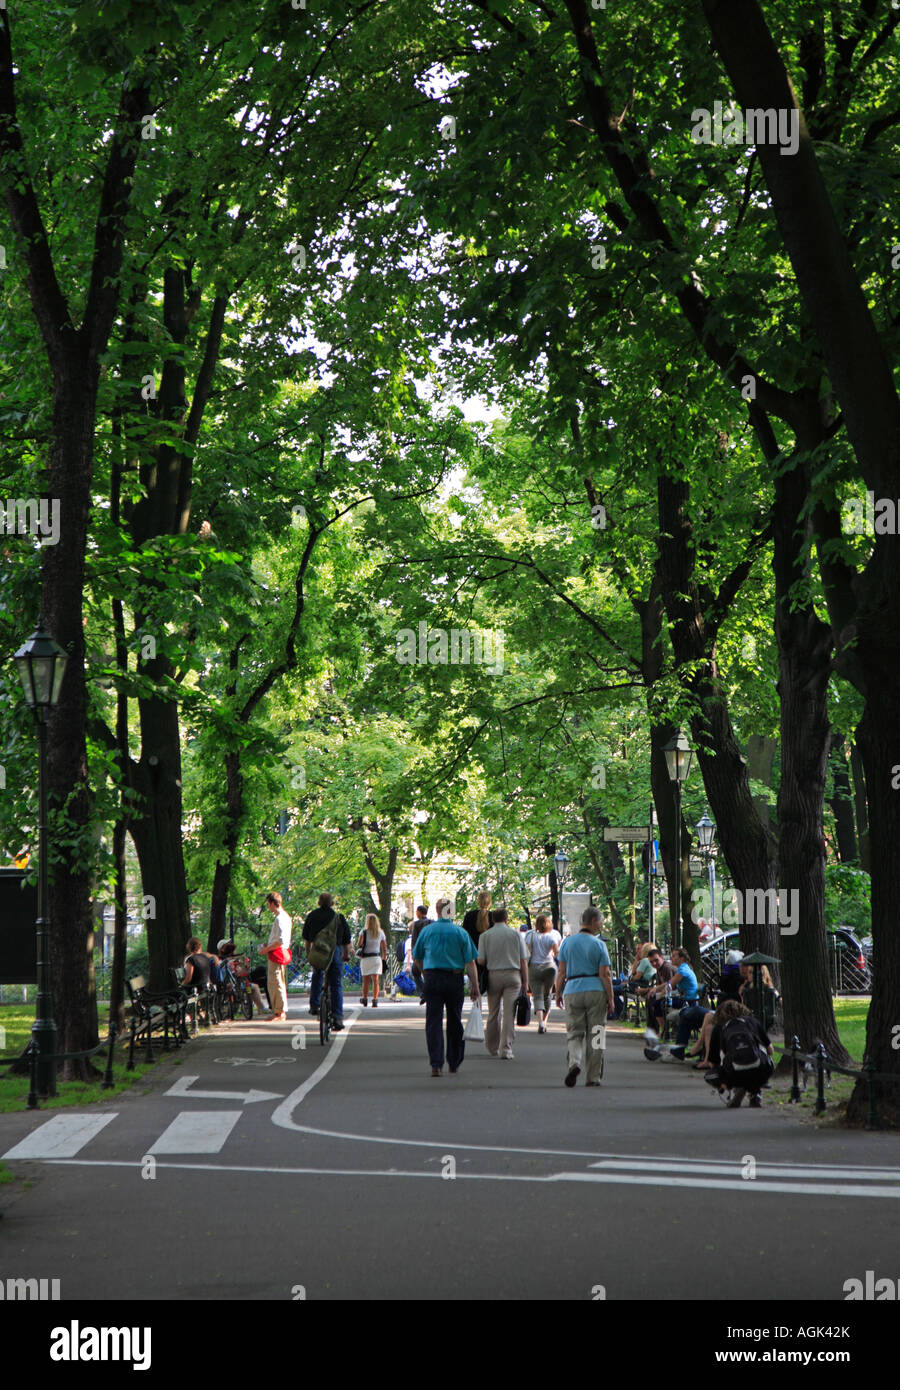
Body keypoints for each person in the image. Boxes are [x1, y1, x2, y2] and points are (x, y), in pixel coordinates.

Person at [412, 897, 480, 1076]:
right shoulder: (460, 933)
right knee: (455, 1020)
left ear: (436, 910)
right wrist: (475, 986)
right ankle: (454, 1061)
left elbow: (416, 956)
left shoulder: (427, 931)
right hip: (454, 978)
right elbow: (470, 962)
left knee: (433, 1020)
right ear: (452, 912)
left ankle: (436, 1064)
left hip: (433, 978)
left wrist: (425, 973)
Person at [555, 905, 613, 1087]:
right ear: (594, 921)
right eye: (601, 922)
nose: (601, 926)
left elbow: (561, 972)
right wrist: (610, 998)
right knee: (597, 1033)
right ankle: (593, 1077)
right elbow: (605, 974)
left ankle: (574, 1062)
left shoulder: (567, 943)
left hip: (572, 989)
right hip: (595, 989)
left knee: (574, 1033)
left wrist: (558, 993)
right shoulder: (599, 944)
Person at [477, 907, 529, 1059]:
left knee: (493, 1012)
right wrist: (526, 981)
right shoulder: (516, 934)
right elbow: (523, 960)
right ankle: (506, 1049)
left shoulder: (485, 936)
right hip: (513, 976)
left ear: (492, 919)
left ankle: (492, 1047)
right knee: (509, 1013)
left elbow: (480, 960)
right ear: (507, 919)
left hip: (493, 976)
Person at [704, 999, 774, 1107]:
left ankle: (734, 1086)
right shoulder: (752, 1022)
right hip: (759, 1070)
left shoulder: (719, 1028)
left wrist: (722, 1081)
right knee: (762, 1061)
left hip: (734, 1072)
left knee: (710, 1075)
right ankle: (755, 1091)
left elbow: (713, 1062)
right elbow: (771, 1050)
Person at [303, 891, 352, 1031]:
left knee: (317, 974)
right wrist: (345, 955)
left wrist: (308, 954)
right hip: (334, 952)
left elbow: (307, 939)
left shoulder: (312, 916)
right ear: (332, 903)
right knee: (336, 984)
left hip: (317, 952)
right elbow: (346, 941)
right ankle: (337, 1017)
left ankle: (314, 1005)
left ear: (319, 903)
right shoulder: (338, 918)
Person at [666, 947, 708, 1060]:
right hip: (688, 1001)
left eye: (674, 956)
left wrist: (656, 991)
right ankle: (668, 1038)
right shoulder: (683, 968)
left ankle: (667, 1037)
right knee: (658, 1003)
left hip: (689, 1002)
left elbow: (670, 984)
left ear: (681, 958)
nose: (671, 958)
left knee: (660, 1003)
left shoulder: (683, 970)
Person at [256, 892, 292, 1022]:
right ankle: (278, 1010)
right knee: (277, 982)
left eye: (268, 904)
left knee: (275, 982)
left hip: (277, 953)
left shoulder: (280, 918)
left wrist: (266, 949)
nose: (268, 907)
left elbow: (281, 940)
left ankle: (279, 1012)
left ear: (272, 903)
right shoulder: (284, 917)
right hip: (278, 951)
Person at [525, 914, 561, 1033]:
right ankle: (544, 1022)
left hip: (534, 967)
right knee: (548, 995)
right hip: (549, 967)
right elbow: (557, 954)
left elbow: (526, 953)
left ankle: (540, 1022)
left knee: (538, 996)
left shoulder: (531, 937)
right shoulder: (551, 938)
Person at [461, 890, 493, 995]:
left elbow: (464, 936)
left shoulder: (469, 916)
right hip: (489, 956)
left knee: (475, 986)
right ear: (490, 902)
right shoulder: (493, 917)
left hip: (472, 956)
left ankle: (476, 1003)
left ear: (478, 902)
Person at [357, 912, 387, 1007]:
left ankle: (365, 999)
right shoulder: (380, 932)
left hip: (366, 958)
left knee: (365, 980)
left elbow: (359, 944)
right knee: (376, 980)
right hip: (376, 958)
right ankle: (375, 1000)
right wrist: (383, 958)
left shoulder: (364, 932)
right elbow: (384, 947)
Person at [645, 948, 676, 1035]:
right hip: (667, 994)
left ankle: (660, 1030)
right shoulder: (659, 969)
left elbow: (670, 985)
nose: (654, 963)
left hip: (675, 994)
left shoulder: (667, 968)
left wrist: (658, 994)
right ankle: (654, 1030)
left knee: (654, 1001)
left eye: (656, 960)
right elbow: (659, 986)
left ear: (662, 957)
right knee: (650, 999)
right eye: (651, 962)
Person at [410, 905, 433, 1004]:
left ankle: (424, 992)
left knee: (416, 971)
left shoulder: (417, 924)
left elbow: (414, 939)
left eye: (416, 911)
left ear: (419, 912)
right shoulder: (432, 922)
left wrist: (413, 953)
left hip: (420, 953)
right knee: (427, 973)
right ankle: (426, 992)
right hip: (430, 952)